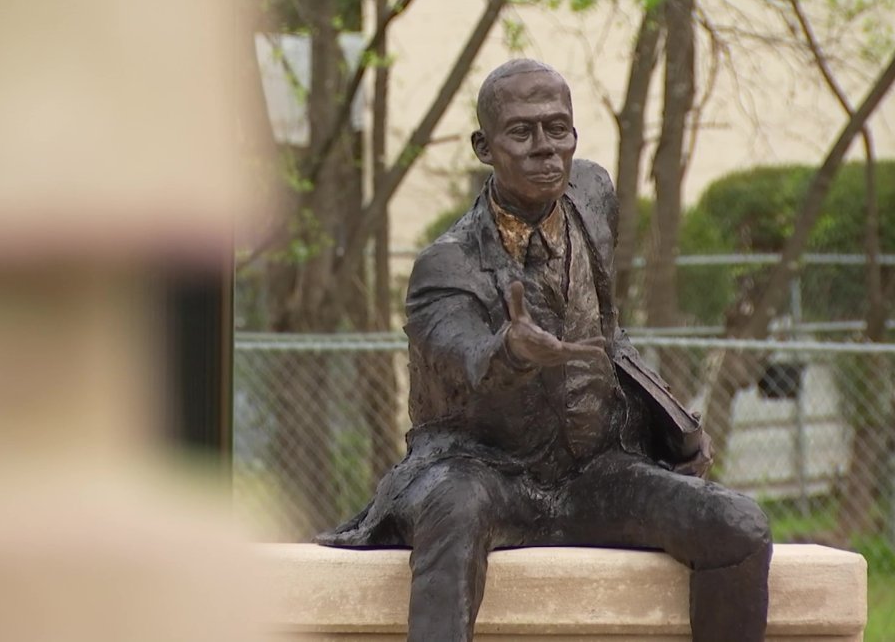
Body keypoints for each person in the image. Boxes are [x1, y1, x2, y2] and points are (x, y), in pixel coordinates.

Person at [317, 59, 771, 642]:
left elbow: (609, 331)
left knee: (738, 525)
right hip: (486, 474)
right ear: (485, 146)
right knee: (451, 510)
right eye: (521, 131)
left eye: (558, 129)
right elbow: (456, 356)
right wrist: (509, 351)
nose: (545, 149)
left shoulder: (593, 193)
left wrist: (670, 417)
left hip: (596, 472)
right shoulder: (446, 264)